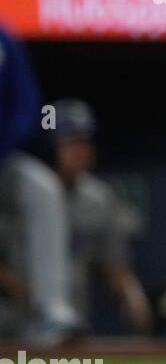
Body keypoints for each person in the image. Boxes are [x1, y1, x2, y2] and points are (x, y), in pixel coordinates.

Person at [0, 24, 79, 347]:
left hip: (2, 156)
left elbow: (27, 102)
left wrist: (4, 141)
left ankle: (52, 308)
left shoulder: (5, 39)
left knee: (42, 187)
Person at [48, 99, 151, 333]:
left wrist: (133, 297)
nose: (81, 150)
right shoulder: (20, 195)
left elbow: (116, 263)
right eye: (71, 142)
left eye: (85, 141)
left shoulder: (99, 198)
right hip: (15, 322)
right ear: (51, 147)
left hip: (72, 320)